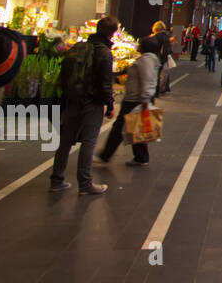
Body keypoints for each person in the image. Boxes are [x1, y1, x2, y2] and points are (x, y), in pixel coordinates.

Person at [49, 16, 118, 195]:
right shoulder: (104, 52)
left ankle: (56, 180)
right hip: (92, 103)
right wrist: (110, 105)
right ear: (113, 33)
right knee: (89, 142)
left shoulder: (80, 47)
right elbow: (105, 83)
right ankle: (85, 184)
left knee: (65, 141)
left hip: (73, 100)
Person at [97, 35, 158, 166]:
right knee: (136, 127)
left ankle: (106, 155)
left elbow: (146, 80)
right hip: (139, 98)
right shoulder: (151, 59)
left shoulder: (145, 61)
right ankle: (141, 157)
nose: (138, 46)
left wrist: (145, 100)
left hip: (135, 99)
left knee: (119, 128)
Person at [151, 21, 172, 97]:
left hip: (157, 58)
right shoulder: (166, 36)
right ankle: (160, 90)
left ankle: (155, 92)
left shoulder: (157, 36)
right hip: (164, 58)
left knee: (155, 75)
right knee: (161, 75)